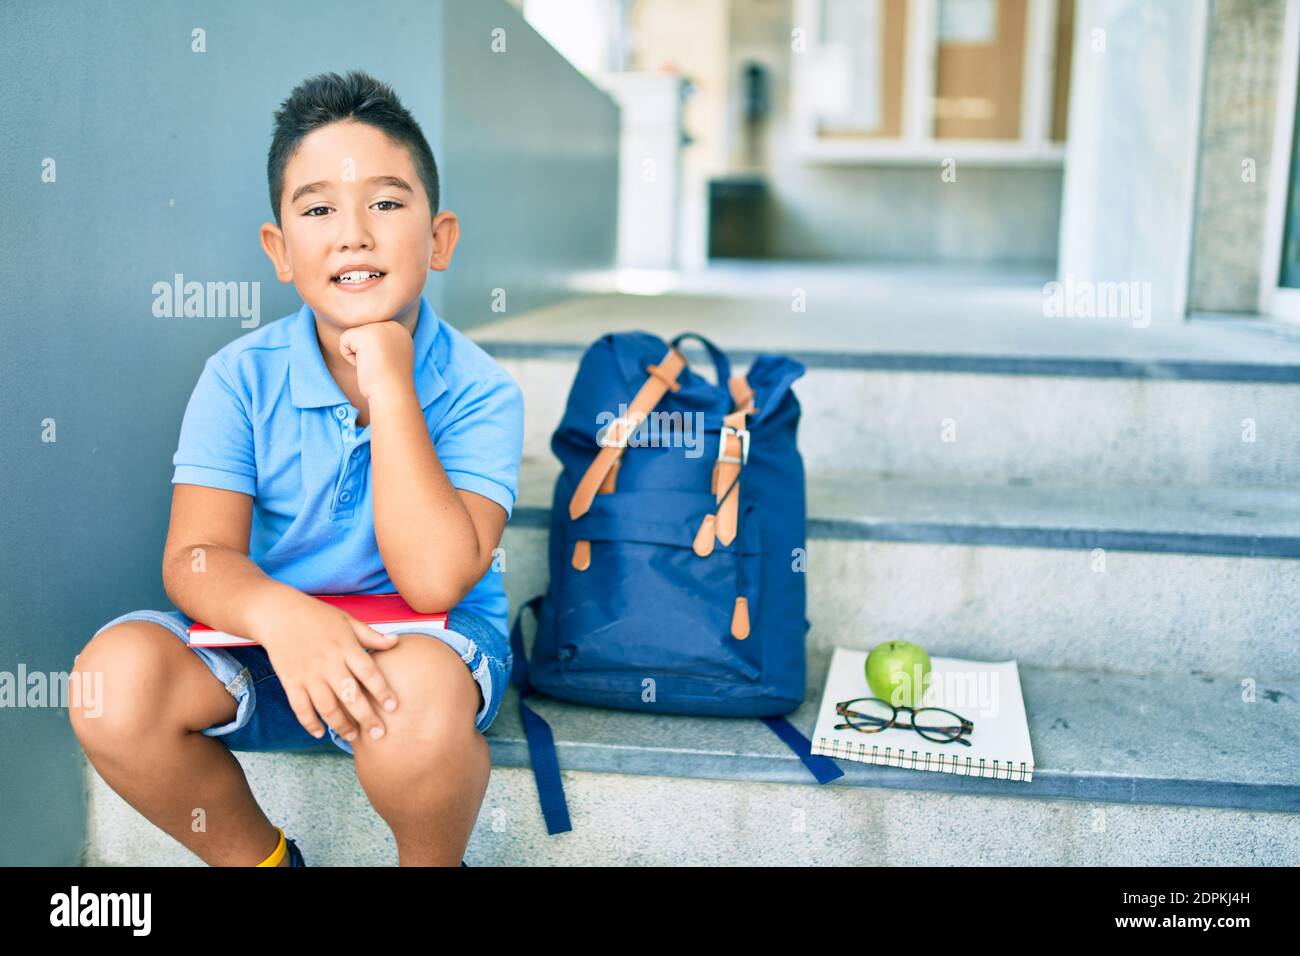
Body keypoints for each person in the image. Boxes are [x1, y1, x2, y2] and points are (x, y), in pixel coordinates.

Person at [68, 70, 524, 867]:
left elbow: (436, 582)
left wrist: (389, 381)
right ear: (280, 250)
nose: (353, 234)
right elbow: (195, 557)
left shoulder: (483, 391)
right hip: (266, 639)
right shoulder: (239, 377)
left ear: (440, 238)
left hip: (424, 651)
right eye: (317, 210)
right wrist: (284, 619)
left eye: (386, 203)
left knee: (415, 701)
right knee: (114, 682)